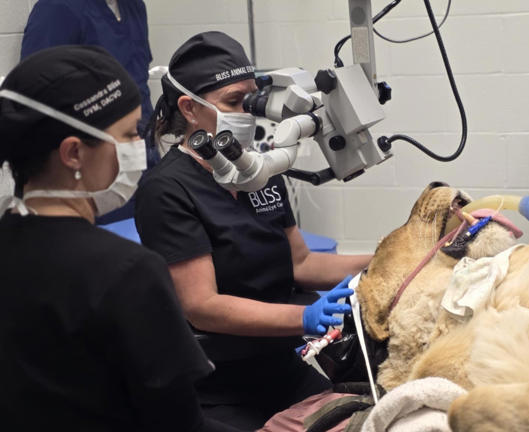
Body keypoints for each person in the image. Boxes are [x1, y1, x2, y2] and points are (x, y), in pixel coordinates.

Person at [135, 31, 372, 429]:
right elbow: (202, 306)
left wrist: (387, 258)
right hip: (215, 385)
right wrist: (305, 316)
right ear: (189, 108)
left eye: (251, 100)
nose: (246, 113)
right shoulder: (167, 190)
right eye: (233, 102)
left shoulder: (259, 171)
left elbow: (301, 263)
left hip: (282, 367)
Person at [0, 45, 240, 432]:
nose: (137, 149)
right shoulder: (125, 272)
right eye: (128, 135)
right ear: (73, 153)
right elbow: (178, 423)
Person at [21, 0, 157, 223]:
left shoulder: (134, 7)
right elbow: (37, 95)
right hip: (89, 165)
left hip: (138, 153)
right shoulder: (58, 8)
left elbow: (137, 82)